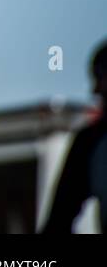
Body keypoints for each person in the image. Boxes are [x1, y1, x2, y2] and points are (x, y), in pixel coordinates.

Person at [42, 40, 107, 233]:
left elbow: (58, 220)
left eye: (99, 80)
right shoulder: (90, 142)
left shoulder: (92, 141)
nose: (94, 91)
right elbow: (59, 219)